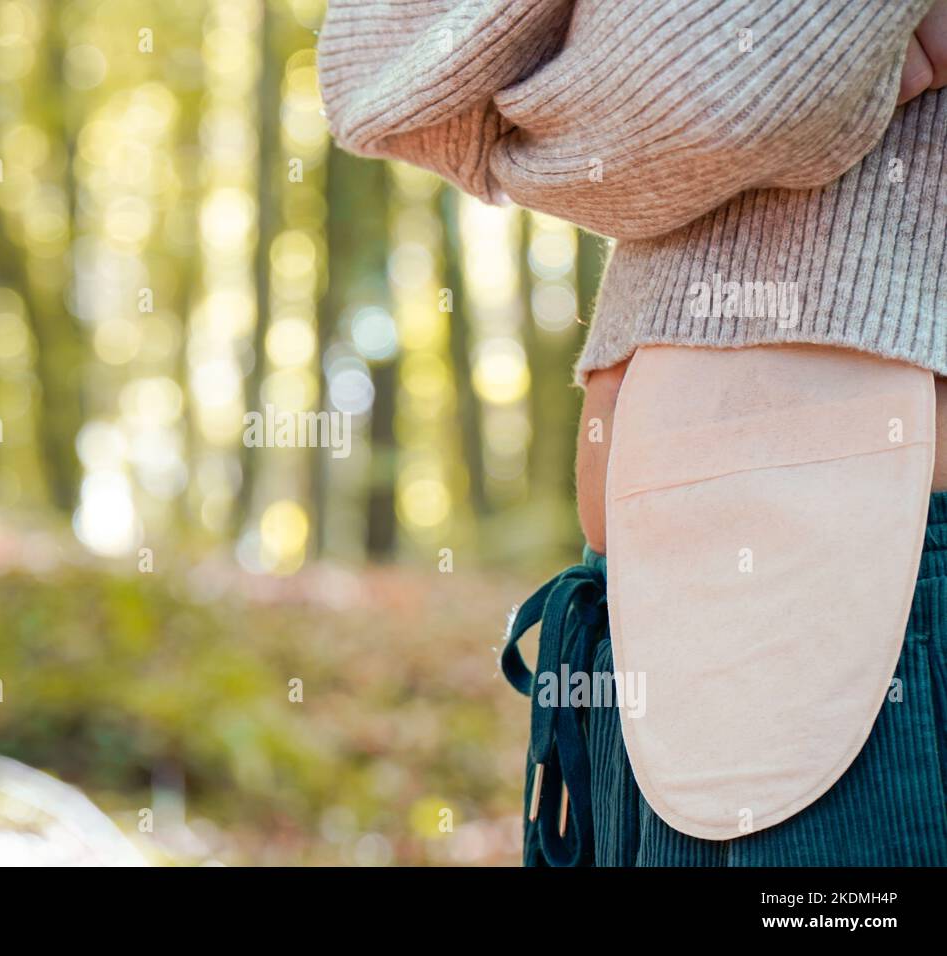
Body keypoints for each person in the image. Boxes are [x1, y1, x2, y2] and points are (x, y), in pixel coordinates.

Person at [318, 0, 947, 865]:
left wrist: (558, 79)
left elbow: (731, 90)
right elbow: (383, 74)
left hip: (872, 601)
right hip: (649, 635)